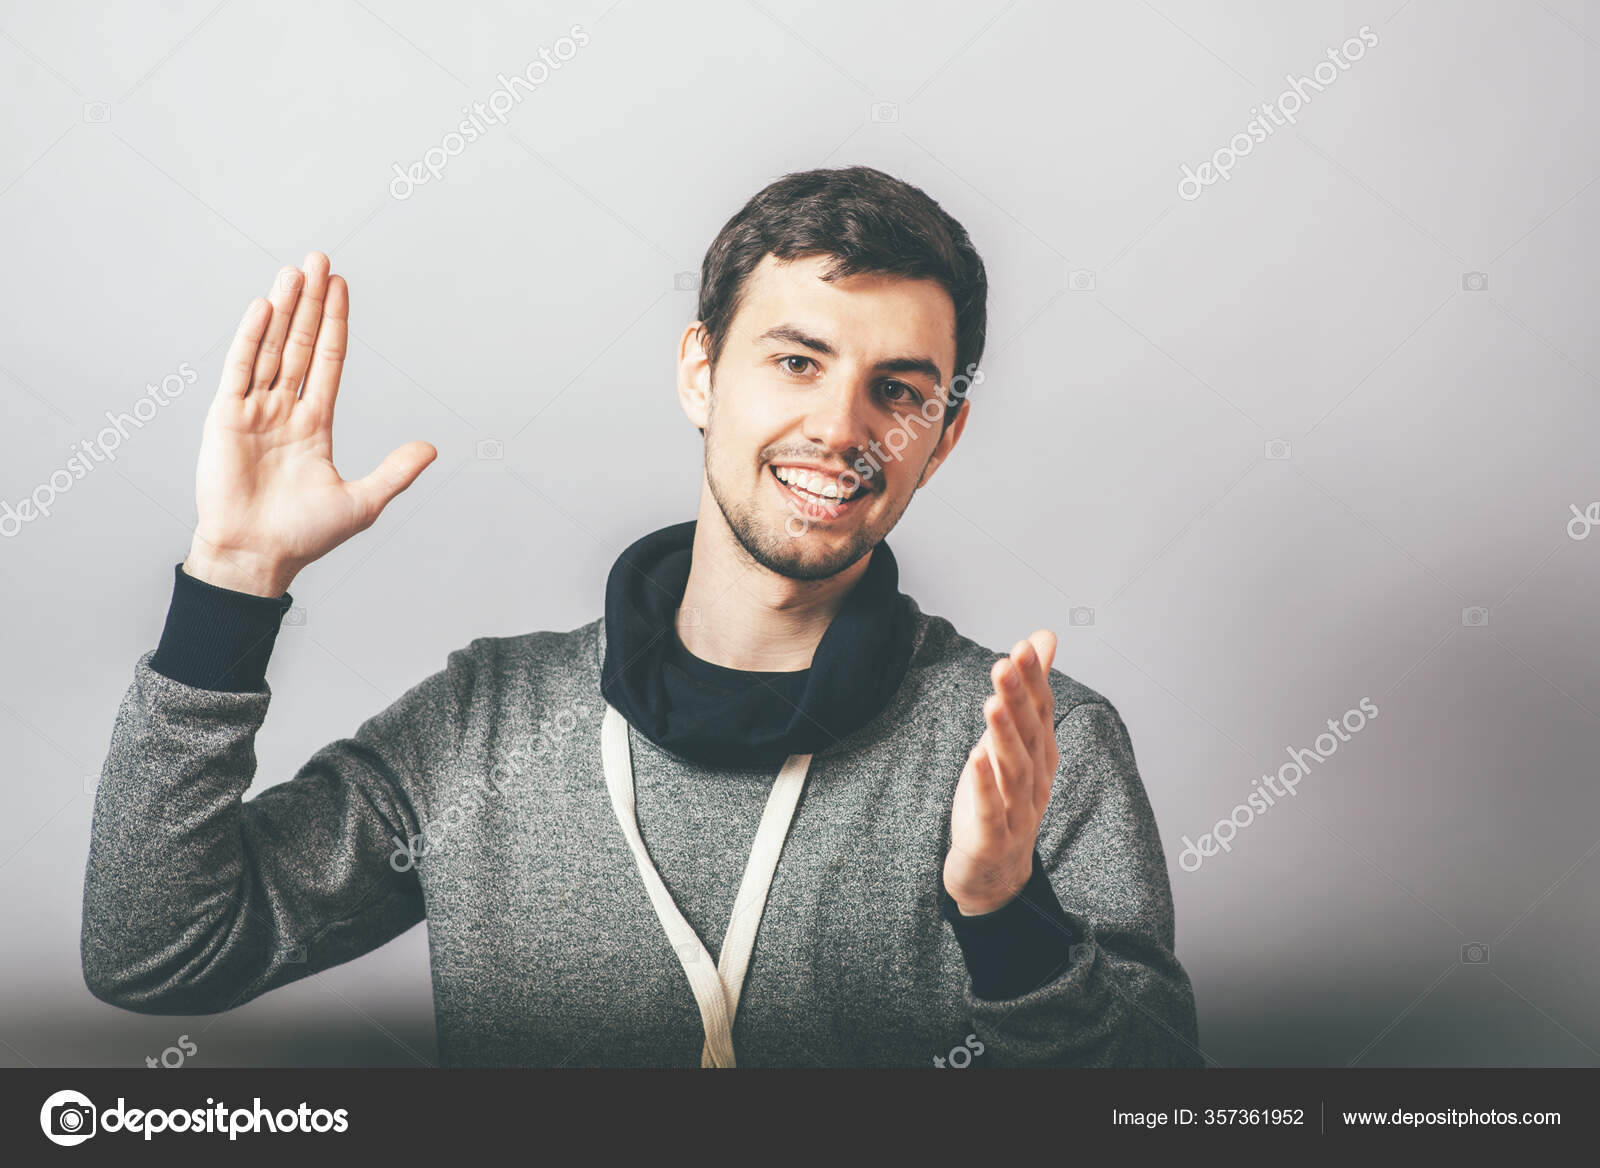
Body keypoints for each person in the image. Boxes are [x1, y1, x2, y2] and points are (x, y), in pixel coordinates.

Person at [80, 166, 1200, 1067]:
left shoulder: (1034, 749)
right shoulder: (485, 725)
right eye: (796, 360)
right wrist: (230, 578)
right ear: (700, 375)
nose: (841, 424)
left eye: (898, 391)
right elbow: (160, 953)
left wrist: (1005, 918)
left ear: (941, 438)